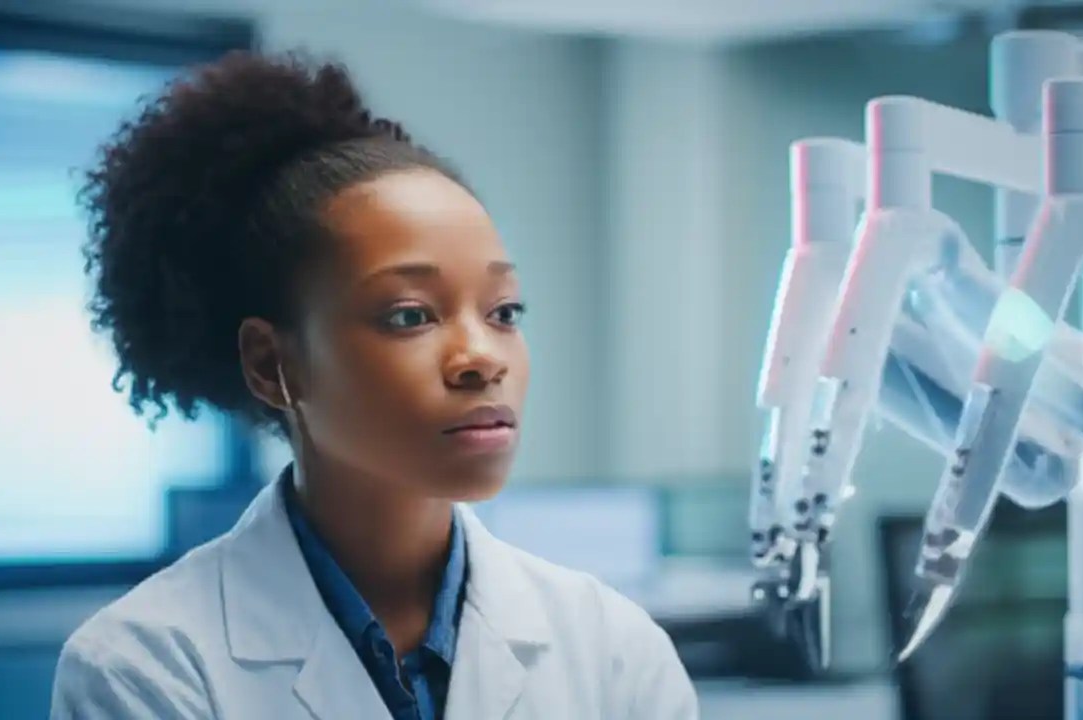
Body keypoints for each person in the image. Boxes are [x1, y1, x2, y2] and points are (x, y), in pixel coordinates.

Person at [49, 51, 698, 720]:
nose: (481, 358)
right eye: (409, 315)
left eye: (503, 312)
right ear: (272, 364)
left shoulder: (613, 650)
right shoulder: (144, 669)